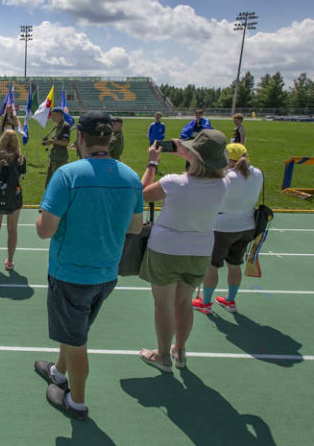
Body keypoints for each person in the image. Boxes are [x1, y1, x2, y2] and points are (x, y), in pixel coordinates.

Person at [34, 110, 143, 421]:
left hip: (70, 272)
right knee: (74, 331)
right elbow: (136, 228)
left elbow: (45, 230)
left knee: (76, 340)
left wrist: (43, 218)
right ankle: (58, 371)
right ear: (109, 138)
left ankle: (76, 402)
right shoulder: (131, 177)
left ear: (79, 138)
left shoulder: (68, 175)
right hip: (106, 274)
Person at [138, 129, 229, 372]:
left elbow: (141, 193)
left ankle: (162, 356)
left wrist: (152, 162)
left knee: (163, 305)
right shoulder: (223, 185)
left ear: (195, 157)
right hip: (199, 250)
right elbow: (207, 172)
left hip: (166, 250)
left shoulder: (173, 183)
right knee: (184, 302)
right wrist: (190, 153)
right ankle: (179, 350)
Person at [193, 143, 262, 314]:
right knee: (234, 264)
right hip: (247, 226)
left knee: (212, 266)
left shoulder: (225, 177)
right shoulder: (258, 173)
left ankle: (206, 303)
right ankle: (230, 301)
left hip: (222, 227)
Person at [0, 130, 26, 271]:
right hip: (13, 198)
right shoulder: (20, 158)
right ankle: (9, 261)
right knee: (12, 230)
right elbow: (20, 178)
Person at [42, 108, 72, 187]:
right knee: (48, 184)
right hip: (54, 158)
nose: (52, 117)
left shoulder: (65, 126)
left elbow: (65, 142)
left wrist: (52, 141)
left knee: (58, 184)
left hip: (60, 159)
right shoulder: (57, 126)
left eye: (54, 115)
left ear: (60, 116)